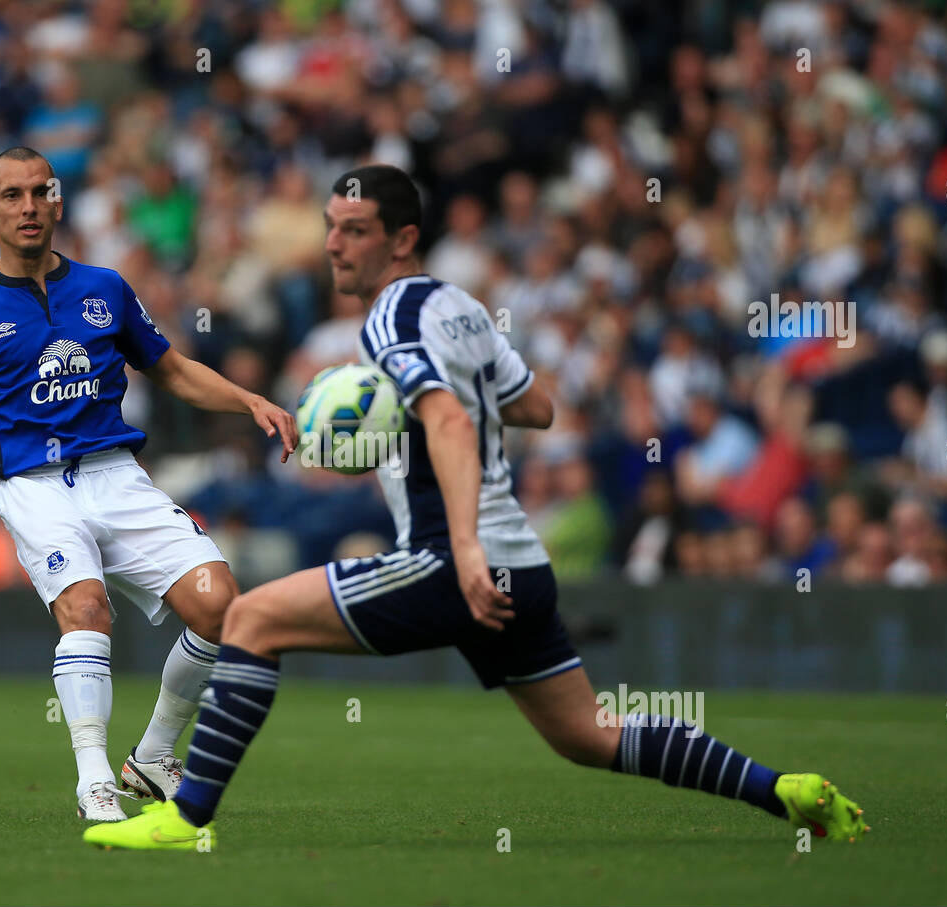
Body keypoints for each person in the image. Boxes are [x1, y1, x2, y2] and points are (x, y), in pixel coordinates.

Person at [85, 164, 869, 851]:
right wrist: (406, 418)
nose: (333, 245)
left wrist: (457, 543)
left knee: (251, 620)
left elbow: (455, 420)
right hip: (520, 564)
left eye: (355, 231)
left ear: (403, 240)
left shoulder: (392, 315)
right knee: (588, 735)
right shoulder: (461, 307)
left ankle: (182, 817)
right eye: (330, 228)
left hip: (452, 561)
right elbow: (537, 407)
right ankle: (781, 788)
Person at [0, 147, 298, 822]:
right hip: (33, 486)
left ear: (58, 201)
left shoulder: (106, 288)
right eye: (12, 195)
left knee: (220, 605)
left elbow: (176, 371)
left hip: (115, 475)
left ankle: (152, 755)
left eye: (41, 192)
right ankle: (93, 779)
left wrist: (250, 400)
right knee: (87, 608)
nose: (29, 206)